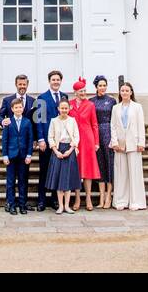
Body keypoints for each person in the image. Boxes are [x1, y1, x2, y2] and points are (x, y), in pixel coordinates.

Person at [32, 70, 67, 212]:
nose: (56, 82)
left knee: (57, 171)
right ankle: (41, 200)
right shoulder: (41, 98)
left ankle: (54, 199)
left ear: (61, 81)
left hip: (60, 142)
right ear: (49, 81)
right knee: (44, 171)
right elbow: (38, 120)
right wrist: (40, 139)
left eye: (58, 79)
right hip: (46, 142)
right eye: (53, 80)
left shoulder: (64, 97)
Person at [109, 81, 147, 211]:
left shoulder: (137, 107)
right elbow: (113, 126)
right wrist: (114, 142)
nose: (124, 92)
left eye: (127, 90)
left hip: (134, 143)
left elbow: (140, 125)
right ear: (120, 93)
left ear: (131, 92)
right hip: (120, 144)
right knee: (121, 173)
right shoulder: (115, 108)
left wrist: (141, 143)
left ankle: (136, 201)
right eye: (122, 90)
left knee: (135, 173)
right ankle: (121, 200)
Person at [45, 98, 82, 214]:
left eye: (66, 108)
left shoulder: (72, 121)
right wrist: (56, 151)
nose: (64, 110)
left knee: (67, 180)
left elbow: (76, 136)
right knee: (59, 180)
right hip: (58, 150)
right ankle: (60, 206)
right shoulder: (54, 121)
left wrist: (71, 150)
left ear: (69, 108)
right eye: (62, 108)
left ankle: (67, 205)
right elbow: (50, 137)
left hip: (69, 150)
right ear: (58, 109)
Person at [68, 77, 100, 211]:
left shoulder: (90, 105)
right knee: (76, 169)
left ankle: (88, 197)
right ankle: (77, 198)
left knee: (87, 169)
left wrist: (96, 142)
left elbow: (95, 124)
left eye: (84, 91)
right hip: (74, 139)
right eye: (80, 91)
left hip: (87, 139)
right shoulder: (69, 104)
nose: (83, 93)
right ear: (75, 92)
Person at [1, 97, 34, 215]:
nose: (18, 109)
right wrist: (5, 155)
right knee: (10, 182)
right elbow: (4, 140)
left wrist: (29, 155)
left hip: (23, 156)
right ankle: (11, 204)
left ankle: (22, 204)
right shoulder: (8, 122)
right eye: (16, 107)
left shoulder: (27, 122)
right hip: (11, 156)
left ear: (23, 108)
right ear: (12, 109)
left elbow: (30, 139)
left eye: (20, 107)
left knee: (23, 181)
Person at [91, 75, 116, 209]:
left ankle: (108, 196)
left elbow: (115, 119)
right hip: (95, 133)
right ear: (96, 87)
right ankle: (101, 196)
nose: (102, 87)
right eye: (100, 85)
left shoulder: (112, 101)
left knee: (109, 163)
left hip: (108, 132)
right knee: (99, 163)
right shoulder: (91, 101)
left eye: (104, 85)